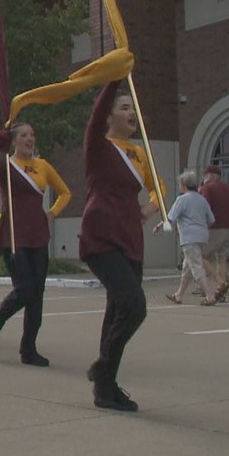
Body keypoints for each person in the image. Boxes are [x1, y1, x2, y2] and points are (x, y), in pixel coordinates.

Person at [80, 81, 164, 412]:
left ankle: (105, 389)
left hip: (131, 238)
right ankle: (104, 368)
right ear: (109, 116)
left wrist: (151, 207)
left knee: (117, 311)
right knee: (134, 305)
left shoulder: (140, 153)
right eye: (124, 107)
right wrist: (114, 78)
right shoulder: (98, 146)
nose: (132, 113)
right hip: (101, 236)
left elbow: (159, 187)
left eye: (133, 108)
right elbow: (95, 113)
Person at [0, 123, 71, 366]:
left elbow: (65, 193)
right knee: (25, 288)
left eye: (32, 134)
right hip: (13, 235)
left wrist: (52, 213)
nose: (30, 139)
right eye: (24, 135)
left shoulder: (43, 166)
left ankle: (29, 349)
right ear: (14, 141)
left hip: (37, 234)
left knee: (37, 295)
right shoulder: (6, 165)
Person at [162, 170, 218, 306]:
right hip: (201, 236)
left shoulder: (182, 199)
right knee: (187, 267)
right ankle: (179, 295)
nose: (179, 186)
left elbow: (171, 217)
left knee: (196, 266)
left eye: (180, 184)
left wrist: (160, 226)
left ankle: (210, 295)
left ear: (184, 184)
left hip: (189, 237)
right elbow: (211, 219)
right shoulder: (202, 199)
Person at [199, 166, 229, 300]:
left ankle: (219, 283)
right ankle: (221, 289)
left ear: (211, 176)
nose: (204, 178)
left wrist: (201, 226)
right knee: (222, 258)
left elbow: (204, 207)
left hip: (213, 228)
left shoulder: (206, 188)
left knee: (200, 256)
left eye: (205, 175)